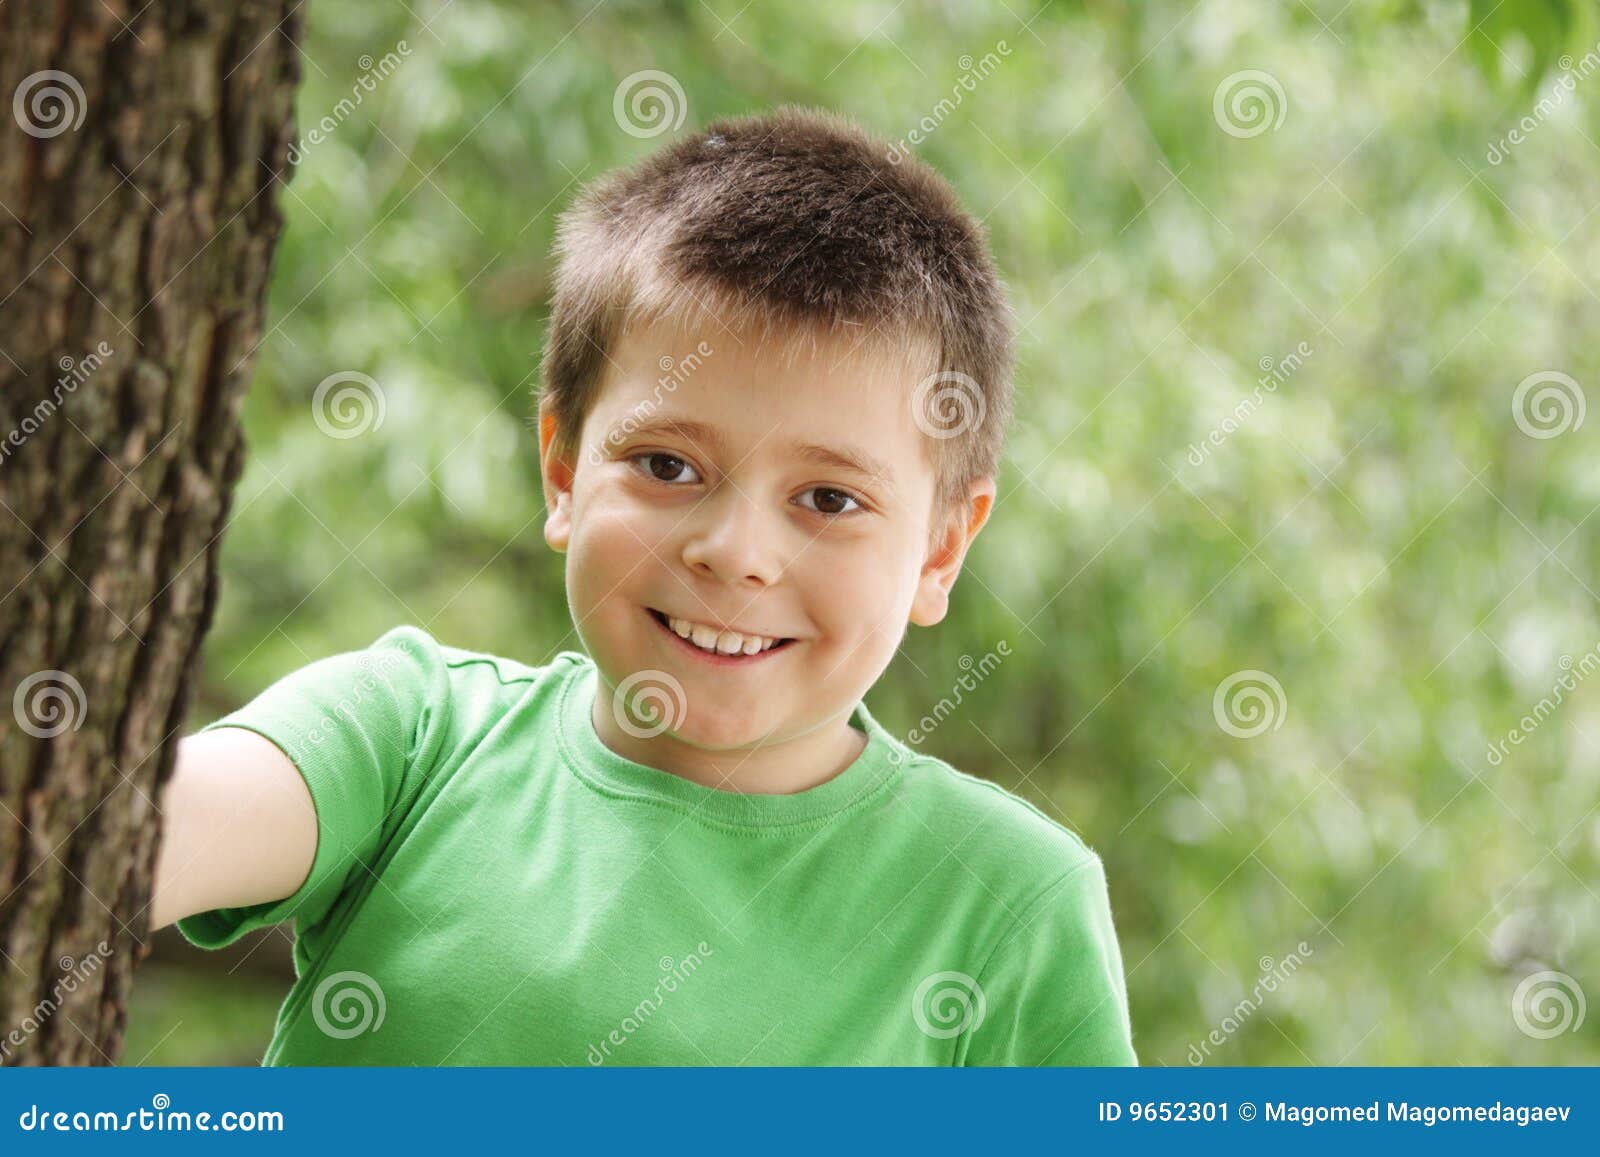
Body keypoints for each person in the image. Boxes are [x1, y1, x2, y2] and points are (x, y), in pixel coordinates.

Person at [151, 107, 1138, 1066]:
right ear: (565, 469)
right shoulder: (405, 737)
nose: (734, 552)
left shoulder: (1007, 901)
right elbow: (105, 836)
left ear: (939, 550)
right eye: (667, 466)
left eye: (829, 497)